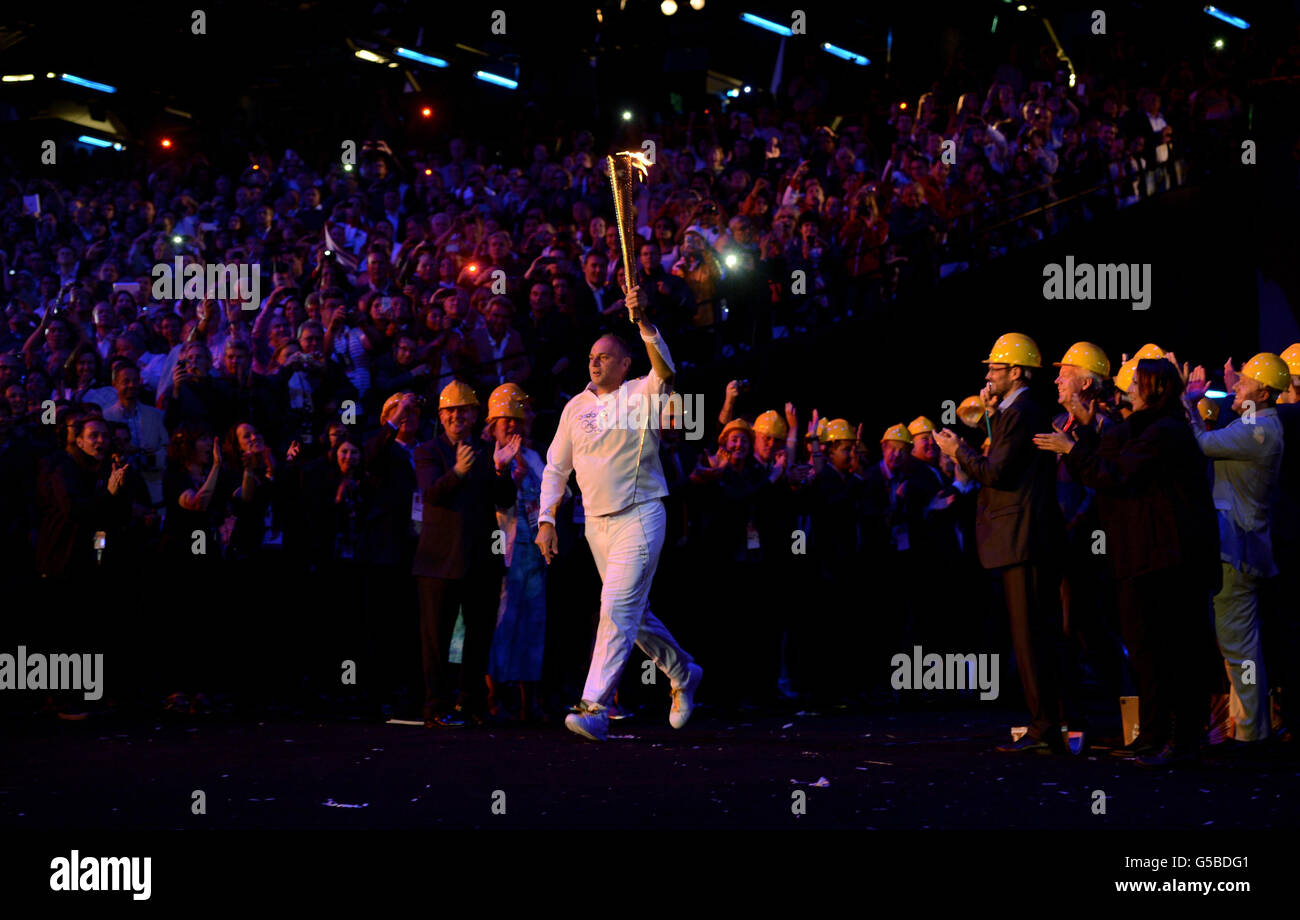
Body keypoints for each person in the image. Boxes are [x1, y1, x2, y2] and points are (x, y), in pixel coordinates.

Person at [535, 285, 702, 741]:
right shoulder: (574, 407)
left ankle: (593, 706)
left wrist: (645, 322)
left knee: (615, 606)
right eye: (592, 357)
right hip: (596, 525)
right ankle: (683, 672)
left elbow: (666, 369)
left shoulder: (641, 392)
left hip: (641, 514)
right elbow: (556, 468)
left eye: (605, 357)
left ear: (626, 364)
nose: (595, 363)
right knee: (634, 614)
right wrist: (546, 519)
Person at [1035, 358, 1221, 766]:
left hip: (1167, 558)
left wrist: (1072, 449)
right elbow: (1106, 461)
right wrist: (1085, 430)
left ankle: (1182, 740)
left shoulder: (1165, 431)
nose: (1129, 388)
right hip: (1143, 555)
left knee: (1172, 652)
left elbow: (1117, 473)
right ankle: (1154, 736)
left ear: (1155, 389)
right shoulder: (1143, 428)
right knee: (1146, 652)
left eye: (1137, 382)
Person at [934, 333, 1070, 754]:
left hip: (1023, 537)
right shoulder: (1016, 411)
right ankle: (1048, 722)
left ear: (1016, 372)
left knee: (1030, 636)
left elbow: (996, 472)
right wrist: (989, 421)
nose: (989, 376)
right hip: (1026, 535)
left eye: (995, 368)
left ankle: (1044, 727)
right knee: (1033, 633)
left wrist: (958, 450)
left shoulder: (1022, 410)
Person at [1184, 352, 1288, 749]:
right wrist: (1232, 394)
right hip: (1241, 545)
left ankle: (1250, 734)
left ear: (1264, 392)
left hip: (1238, 548)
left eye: (1245, 382)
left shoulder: (1257, 431)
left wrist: (1189, 400)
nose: (1236, 386)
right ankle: (1247, 727)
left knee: (1239, 647)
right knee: (1240, 645)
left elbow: (1200, 443)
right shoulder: (1257, 424)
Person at [412, 380, 520, 727]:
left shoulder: (488, 451)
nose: (456, 416)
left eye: (463, 410)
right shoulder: (428, 451)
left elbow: (505, 500)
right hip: (440, 562)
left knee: (479, 636)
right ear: (441, 415)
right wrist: (458, 471)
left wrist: (502, 470)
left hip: (481, 562)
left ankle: (471, 704)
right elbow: (432, 493)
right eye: (450, 411)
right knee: (437, 639)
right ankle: (436, 706)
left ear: (475, 415)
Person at [485, 384, 551, 722]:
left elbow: (557, 494)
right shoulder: (487, 457)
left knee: (533, 624)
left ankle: (529, 703)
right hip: (504, 550)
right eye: (505, 420)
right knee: (502, 622)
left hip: (535, 553)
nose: (512, 425)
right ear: (493, 425)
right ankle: (493, 698)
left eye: (517, 419)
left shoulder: (536, 457)